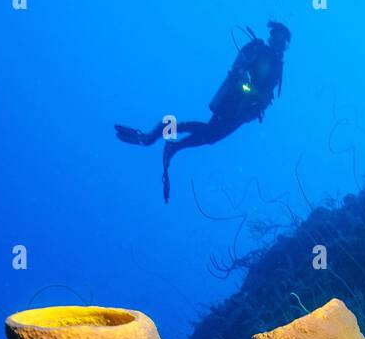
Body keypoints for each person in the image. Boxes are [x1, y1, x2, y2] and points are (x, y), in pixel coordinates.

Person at [115, 21, 291, 203]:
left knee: (211, 137)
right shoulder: (256, 48)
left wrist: (259, 103)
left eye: (283, 43)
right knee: (210, 133)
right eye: (277, 38)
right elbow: (237, 67)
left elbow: (267, 94)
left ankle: (170, 144)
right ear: (271, 37)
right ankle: (159, 136)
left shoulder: (279, 66)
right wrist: (246, 83)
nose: (279, 44)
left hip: (244, 112)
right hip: (233, 99)